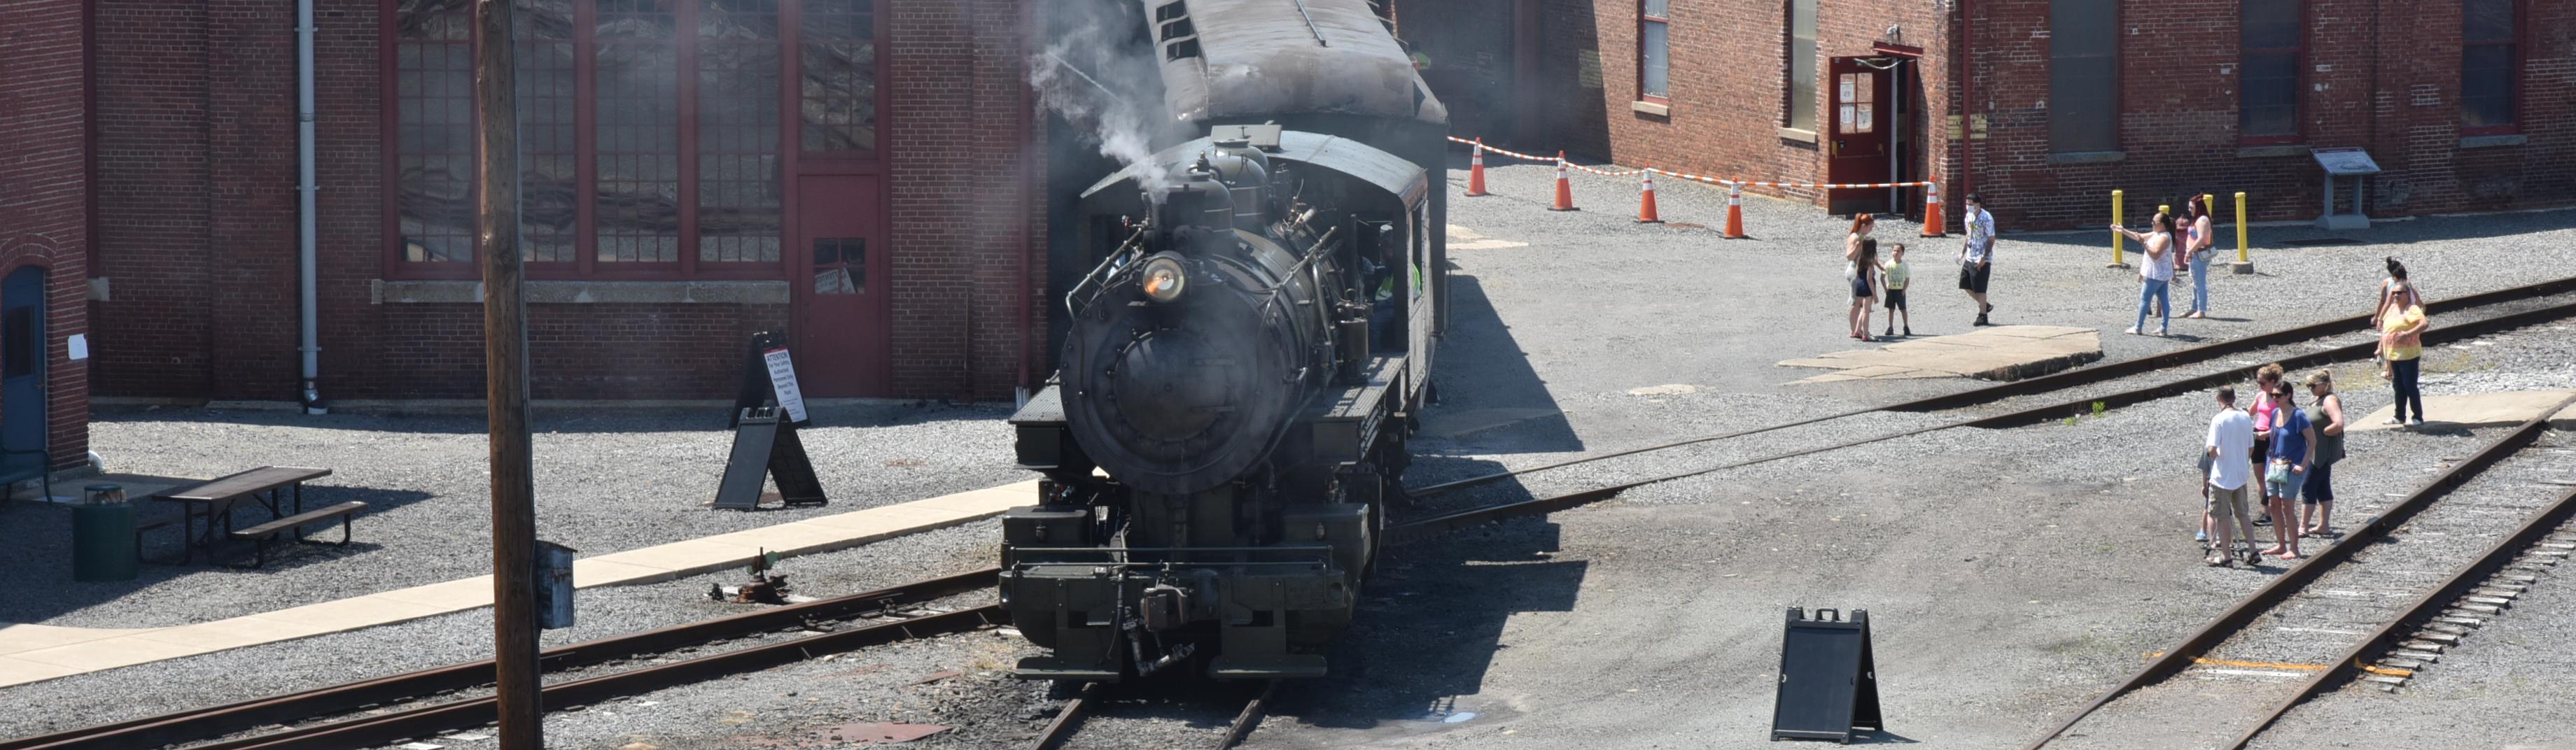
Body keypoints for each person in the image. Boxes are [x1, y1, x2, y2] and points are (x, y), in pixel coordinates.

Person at [2205, 385, 2262, 566]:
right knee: (2243, 514)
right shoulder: (2245, 417)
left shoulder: (2219, 419)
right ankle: (2253, 550)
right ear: (2234, 398)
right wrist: (2241, 461)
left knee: (2221, 516)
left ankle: (2226, 556)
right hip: (2240, 474)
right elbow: (2251, 447)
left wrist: (2216, 456)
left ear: (2218, 398)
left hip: (2222, 477)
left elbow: (2212, 449)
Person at [2261, 381, 2316, 560]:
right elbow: (2276, 434)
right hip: (2274, 465)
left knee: (2287, 507)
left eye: (2278, 395)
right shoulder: (2276, 413)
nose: (2274, 398)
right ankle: (2281, 545)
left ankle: (2294, 548)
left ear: (2288, 396)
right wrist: (2264, 435)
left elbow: (2312, 442)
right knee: (2274, 505)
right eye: (2273, 395)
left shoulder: (2299, 416)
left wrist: (2304, 464)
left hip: (2291, 468)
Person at [2110, 212, 2176, 336]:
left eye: (2154, 222)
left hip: (2155, 274)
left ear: (2162, 225)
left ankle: (2138, 327)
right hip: (2161, 274)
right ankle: (2163, 328)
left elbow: (2155, 255)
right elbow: (2139, 236)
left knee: (2145, 300)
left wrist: (2144, 244)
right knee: (2164, 300)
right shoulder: (2157, 234)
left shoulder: (2163, 237)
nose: (2152, 224)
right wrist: (2123, 230)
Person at [2301, 370, 2347, 539]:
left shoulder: (2330, 400)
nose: (2310, 388)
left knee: (2308, 486)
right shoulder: (2319, 399)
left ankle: (2304, 526)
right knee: (2322, 487)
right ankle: (2323, 525)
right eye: (2308, 386)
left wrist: (2324, 433)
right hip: (2313, 452)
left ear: (2324, 384)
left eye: (2313, 385)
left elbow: (2339, 423)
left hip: (2321, 453)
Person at [2247, 363, 2286, 525]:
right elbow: (2249, 413)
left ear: (2273, 381)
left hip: (2272, 438)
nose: (2260, 386)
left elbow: (2285, 422)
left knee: (2273, 476)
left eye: (2263, 383)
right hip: (2258, 437)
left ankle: (2275, 509)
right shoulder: (2260, 396)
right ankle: (2266, 514)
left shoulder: (2280, 398)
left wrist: (2268, 434)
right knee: (2260, 477)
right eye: (2258, 383)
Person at [2383, 295, 2430, 427]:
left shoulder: (2412, 309)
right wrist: (2381, 348)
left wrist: (2408, 334)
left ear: (2407, 294)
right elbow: (2386, 330)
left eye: (2399, 292)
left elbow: (2425, 323)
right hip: (2394, 354)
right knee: (2398, 386)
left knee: (2409, 386)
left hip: (2409, 355)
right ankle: (2399, 416)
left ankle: (2418, 417)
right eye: (2394, 293)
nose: (2396, 295)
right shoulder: (2392, 308)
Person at [1959, 194, 1996, 327]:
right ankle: (1984, 305)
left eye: (1971, 205)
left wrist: (1984, 258)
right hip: (1970, 256)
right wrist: (1962, 253)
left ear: (1978, 205)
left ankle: (1983, 315)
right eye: (1967, 204)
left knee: (1980, 289)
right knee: (1965, 285)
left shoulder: (1987, 219)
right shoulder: (1968, 216)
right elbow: (1968, 235)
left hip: (1981, 258)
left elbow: (1991, 240)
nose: (1968, 207)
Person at [2182, 194, 2216, 318]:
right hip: (2194, 254)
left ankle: (2201, 310)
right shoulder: (2198, 219)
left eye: (2191, 208)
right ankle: (2194, 307)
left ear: (2198, 207)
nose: (2189, 210)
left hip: (2198, 254)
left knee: (2200, 282)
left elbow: (2201, 239)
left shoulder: (2202, 220)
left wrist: (2190, 251)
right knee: (2194, 282)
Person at [1846, 215, 1878, 341]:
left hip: (1861, 271)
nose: (1871, 230)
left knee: (1860, 303)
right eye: (1870, 228)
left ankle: (1858, 330)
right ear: (1863, 226)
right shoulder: (1854, 237)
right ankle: (1855, 330)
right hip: (1855, 271)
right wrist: (1858, 246)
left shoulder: (1863, 237)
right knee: (1855, 301)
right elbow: (1849, 256)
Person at [1882, 243, 1912, 337]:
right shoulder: (1888, 264)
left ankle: (1906, 326)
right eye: (1894, 250)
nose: (1895, 252)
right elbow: (1882, 277)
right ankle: (1890, 327)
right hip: (1891, 290)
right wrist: (1886, 289)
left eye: (1898, 251)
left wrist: (1904, 290)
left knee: (1903, 309)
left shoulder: (1904, 265)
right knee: (1891, 310)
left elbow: (1907, 279)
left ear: (1902, 253)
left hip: (1900, 290)